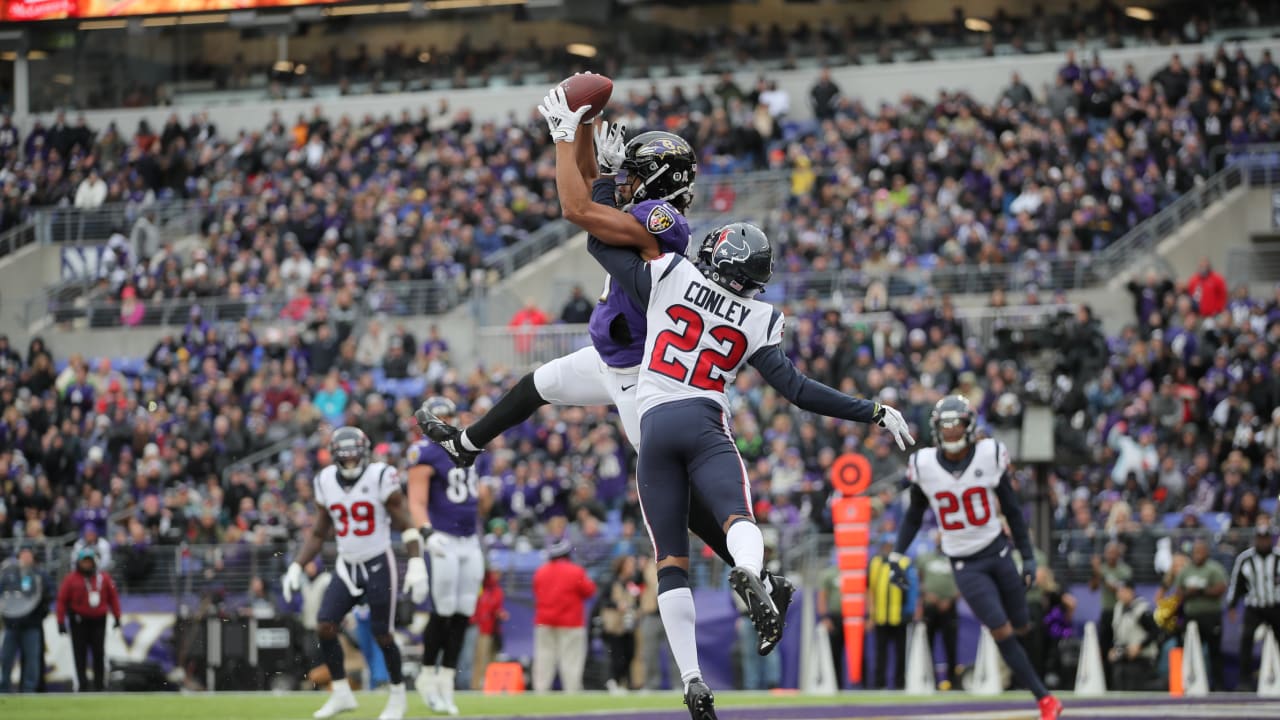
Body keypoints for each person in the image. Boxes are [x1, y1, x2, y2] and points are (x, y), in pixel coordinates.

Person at [414, 104, 795, 650]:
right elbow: (597, 193)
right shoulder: (649, 212)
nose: (630, 181)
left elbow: (582, 207)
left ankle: (758, 576)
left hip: (644, 375)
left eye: (640, 175)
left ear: (661, 182)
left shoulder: (664, 224)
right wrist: (593, 137)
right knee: (536, 385)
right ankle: (467, 443)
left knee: (677, 500)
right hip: (610, 357)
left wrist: (569, 134)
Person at [580, 206, 911, 718]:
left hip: (653, 426)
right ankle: (752, 572)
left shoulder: (673, 271)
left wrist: (607, 190)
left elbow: (599, 244)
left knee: (669, 562)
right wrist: (872, 410)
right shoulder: (759, 318)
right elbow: (798, 391)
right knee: (738, 519)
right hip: (704, 420)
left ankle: (692, 680)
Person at [894, 396, 1063, 720]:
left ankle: (1033, 680)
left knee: (1023, 626)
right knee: (1000, 629)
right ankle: (1044, 699)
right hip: (964, 563)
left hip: (998, 552)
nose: (951, 430)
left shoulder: (990, 454)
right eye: (945, 425)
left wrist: (1027, 557)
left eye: (956, 423)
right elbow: (914, 516)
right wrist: (898, 555)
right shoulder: (924, 464)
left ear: (970, 426)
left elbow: (1012, 510)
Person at [280, 426, 428, 720]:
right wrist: (297, 565)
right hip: (347, 564)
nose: (349, 464)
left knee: (383, 634)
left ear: (364, 454)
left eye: (353, 458)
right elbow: (320, 531)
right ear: (335, 458)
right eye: (343, 459)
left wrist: (416, 561)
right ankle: (342, 693)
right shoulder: (324, 481)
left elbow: (404, 521)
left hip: (377, 561)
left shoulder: (380, 476)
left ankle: (398, 697)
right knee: (325, 625)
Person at [406, 397, 485, 715]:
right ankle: (428, 675)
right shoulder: (424, 453)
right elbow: (416, 500)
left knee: (465, 610)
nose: (444, 422)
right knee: (444, 609)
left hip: (469, 539)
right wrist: (426, 533)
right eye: (439, 417)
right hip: (444, 538)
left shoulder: (469, 446)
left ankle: (447, 681)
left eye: (448, 416)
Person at [531, 539, 596, 693]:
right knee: (571, 661)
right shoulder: (576, 571)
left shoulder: (541, 571)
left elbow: (536, 591)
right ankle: (571, 693)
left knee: (544, 659)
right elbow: (590, 591)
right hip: (570, 623)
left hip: (545, 622)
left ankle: (540, 693)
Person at [55, 548, 121, 692]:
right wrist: (60, 621)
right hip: (78, 621)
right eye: (84, 561)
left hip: (98, 620)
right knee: (80, 655)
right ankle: (82, 686)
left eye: (89, 561)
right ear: (79, 562)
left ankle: (99, 686)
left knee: (99, 654)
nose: (86, 564)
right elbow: (61, 601)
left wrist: (117, 616)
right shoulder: (71, 579)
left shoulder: (103, 578)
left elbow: (113, 597)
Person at [1226, 522, 1280, 691]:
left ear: (1270, 539)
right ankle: (1244, 680)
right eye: (1260, 539)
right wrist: (1232, 605)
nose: (1263, 542)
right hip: (1254, 606)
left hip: (1276, 605)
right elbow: (1236, 583)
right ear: (1255, 539)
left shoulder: (1278, 557)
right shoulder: (1245, 558)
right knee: (1246, 639)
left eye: (1265, 539)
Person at [1174, 538, 1227, 690]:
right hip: (1191, 617)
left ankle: (1218, 685)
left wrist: (1201, 591)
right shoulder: (1186, 570)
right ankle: (1182, 683)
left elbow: (1221, 588)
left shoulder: (1214, 568)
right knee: (1186, 649)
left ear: (1207, 552)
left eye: (1201, 551)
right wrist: (1189, 593)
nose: (1198, 555)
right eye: (1195, 552)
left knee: (1214, 651)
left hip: (1211, 616)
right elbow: (1178, 593)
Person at [867, 537, 917, 689]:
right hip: (881, 616)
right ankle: (878, 684)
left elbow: (912, 589)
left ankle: (900, 684)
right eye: (886, 546)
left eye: (891, 546)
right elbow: (870, 589)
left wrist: (910, 610)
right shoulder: (875, 563)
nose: (888, 549)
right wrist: (871, 614)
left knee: (900, 652)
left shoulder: (904, 563)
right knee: (880, 653)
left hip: (899, 616)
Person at [0, 546, 51, 693]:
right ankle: (4, 688)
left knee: (32, 659)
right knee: (6, 658)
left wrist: (41, 612)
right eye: (23, 555)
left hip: (32, 625)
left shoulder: (39, 574)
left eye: (29, 555)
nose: (26, 558)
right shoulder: (9, 574)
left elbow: (49, 594)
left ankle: (29, 689)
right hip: (11, 624)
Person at [916, 538, 961, 688]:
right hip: (930, 606)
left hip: (950, 606)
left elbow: (965, 581)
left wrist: (950, 598)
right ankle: (928, 680)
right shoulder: (925, 558)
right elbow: (918, 579)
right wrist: (927, 595)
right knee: (928, 644)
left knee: (951, 644)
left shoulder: (956, 559)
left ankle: (953, 681)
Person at [1089, 541, 1131, 678]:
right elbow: (1092, 587)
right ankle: (1105, 678)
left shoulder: (1124, 570)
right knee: (1104, 646)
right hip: (1107, 611)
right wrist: (1096, 573)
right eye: (1109, 553)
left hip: (1121, 612)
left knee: (1120, 645)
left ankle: (1119, 678)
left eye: (1114, 553)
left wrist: (1099, 571)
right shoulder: (1101, 568)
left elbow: (1117, 589)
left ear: (1119, 554)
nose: (1111, 556)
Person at [1108, 580, 1159, 691]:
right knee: (1118, 684)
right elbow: (1118, 632)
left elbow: (1155, 631)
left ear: (1130, 592)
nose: (1119, 594)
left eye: (1122, 591)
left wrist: (1140, 646)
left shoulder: (1141, 609)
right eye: (1118, 591)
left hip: (1141, 658)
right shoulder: (1119, 608)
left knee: (1134, 688)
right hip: (1123, 656)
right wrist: (1114, 648)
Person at [600, 555, 641, 693]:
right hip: (615, 626)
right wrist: (617, 605)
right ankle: (613, 681)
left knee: (629, 654)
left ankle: (625, 682)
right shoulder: (612, 582)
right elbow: (603, 601)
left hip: (628, 625)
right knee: (616, 655)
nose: (632, 567)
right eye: (629, 564)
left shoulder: (632, 582)